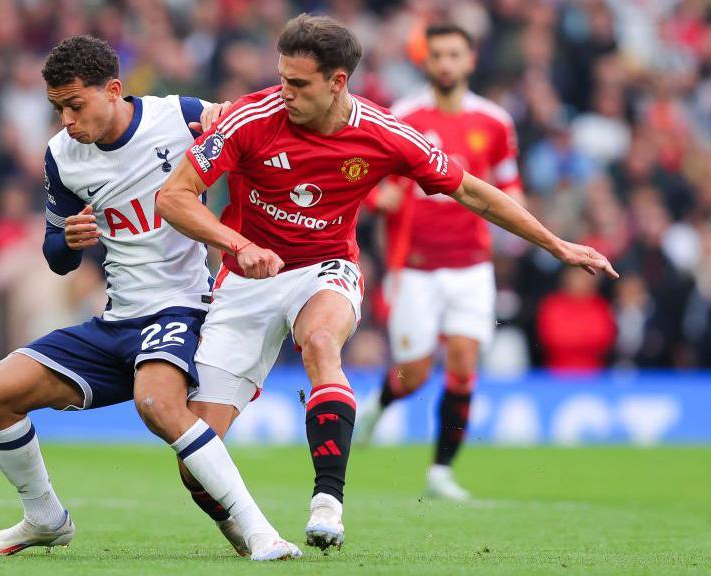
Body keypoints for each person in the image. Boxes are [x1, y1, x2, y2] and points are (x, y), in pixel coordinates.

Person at [157, 14, 617, 551]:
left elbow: (472, 191)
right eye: (281, 78)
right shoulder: (250, 118)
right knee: (195, 463)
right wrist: (238, 244)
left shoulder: (384, 133)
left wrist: (557, 245)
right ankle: (253, 535)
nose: (284, 93)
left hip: (325, 267)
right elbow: (174, 196)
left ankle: (328, 503)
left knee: (322, 342)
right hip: (246, 277)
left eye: (298, 84)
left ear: (338, 82)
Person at [0, 36, 301, 561]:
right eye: (57, 109)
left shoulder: (179, 117)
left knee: (156, 403)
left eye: (75, 105)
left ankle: (262, 532)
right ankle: (45, 518)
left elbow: (245, 130)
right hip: (117, 320)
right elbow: (57, 256)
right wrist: (68, 241)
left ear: (113, 90)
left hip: (181, 306)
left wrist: (235, 131)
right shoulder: (61, 157)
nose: (67, 121)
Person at [355, 24, 524, 500]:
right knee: (414, 373)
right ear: (425, 62)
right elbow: (366, 178)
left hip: (472, 263)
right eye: (438, 55)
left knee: (464, 364)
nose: (446, 63)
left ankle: (441, 471)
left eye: (454, 54)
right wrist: (380, 198)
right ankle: (381, 402)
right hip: (415, 266)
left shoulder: (495, 121)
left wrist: (519, 210)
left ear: (470, 60)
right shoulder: (404, 116)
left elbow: (508, 182)